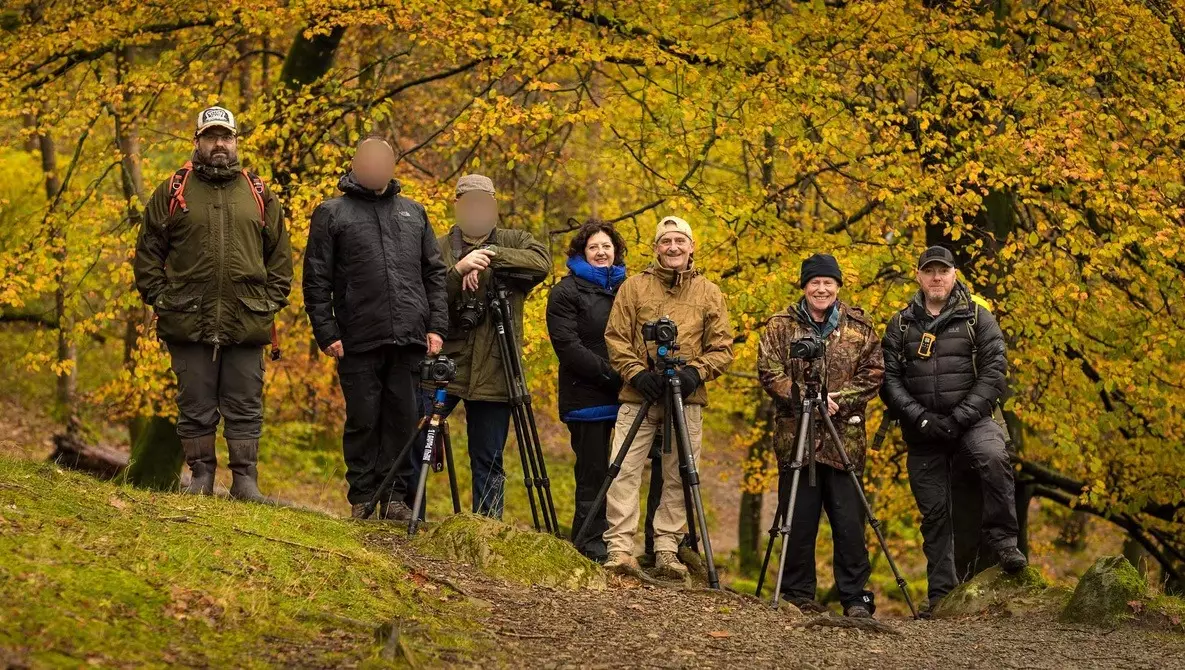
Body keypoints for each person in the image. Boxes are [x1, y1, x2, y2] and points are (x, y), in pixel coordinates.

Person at [133, 106, 292, 501]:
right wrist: (162, 300)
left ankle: (245, 481)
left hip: (247, 318)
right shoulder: (172, 191)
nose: (219, 143)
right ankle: (201, 476)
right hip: (187, 318)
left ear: (237, 142)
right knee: (195, 402)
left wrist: (267, 303)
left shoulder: (259, 193)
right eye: (211, 137)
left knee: (244, 402)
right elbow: (147, 253)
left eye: (226, 136)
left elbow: (281, 259)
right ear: (197, 142)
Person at [303, 137, 448, 520]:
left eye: (383, 161)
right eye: (368, 160)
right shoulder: (331, 213)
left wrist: (436, 326)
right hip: (356, 338)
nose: (376, 168)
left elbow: (434, 273)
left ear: (393, 165)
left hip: (409, 338)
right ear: (355, 164)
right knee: (364, 419)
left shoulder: (413, 213)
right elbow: (315, 279)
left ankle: (395, 498)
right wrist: (327, 332)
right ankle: (363, 498)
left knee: (402, 419)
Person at [881, 245, 1027, 613]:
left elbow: (995, 373)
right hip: (922, 428)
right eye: (929, 271)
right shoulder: (900, 324)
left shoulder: (979, 317)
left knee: (994, 458)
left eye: (942, 271)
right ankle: (941, 597)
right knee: (934, 513)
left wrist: (960, 417)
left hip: (973, 420)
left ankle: (1006, 543)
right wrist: (920, 417)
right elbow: (889, 380)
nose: (936, 278)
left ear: (954, 274)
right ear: (918, 276)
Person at [602, 215, 734, 578]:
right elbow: (616, 338)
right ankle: (619, 549)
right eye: (666, 242)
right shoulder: (634, 287)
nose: (673, 247)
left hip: (686, 397)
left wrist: (696, 373)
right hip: (637, 394)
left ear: (692, 246)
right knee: (624, 468)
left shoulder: (709, 291)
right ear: (656, 247)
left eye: (680, 241)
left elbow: (723, 348)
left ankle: (666, 549)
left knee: (679, 473)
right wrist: (636, 374)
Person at [757, 253, 884, 618]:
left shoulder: (860, 326)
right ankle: (798, 595)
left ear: (838, 286)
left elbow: (875, 372)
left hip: (844, 438)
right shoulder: (781, 325)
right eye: (815, 282)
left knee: (848, 523)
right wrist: (804, 397)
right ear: (804, 286)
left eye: (828, 282)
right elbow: (768, 370)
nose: (822, 288)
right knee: (798, 520)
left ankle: (856, 597)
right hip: (797, 438)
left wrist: (836, 401)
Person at [424, 173, 550, 518]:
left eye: (484, 202)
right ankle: (409, 515)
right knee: (418, 441)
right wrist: (457, 270)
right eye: (470, 202)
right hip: (444, 362)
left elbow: (542, 263)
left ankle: (486, 528)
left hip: (497, 366)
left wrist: (489, 254)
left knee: (489, 457)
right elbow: (421, 296)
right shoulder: (437, 247)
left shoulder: (514, 239)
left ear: (494, 205)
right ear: (457, 205)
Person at [546, 220, 628, 562]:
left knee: (624, 470)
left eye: (606, 246)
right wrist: (612, 376)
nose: (601, 252)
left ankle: (622, 540)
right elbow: (567, 345)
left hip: (629, 393)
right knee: (592, 470)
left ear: (616, 251)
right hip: (587, 394)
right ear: (582, 252)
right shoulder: (566, 291)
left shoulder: (629, 289)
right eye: (594, 247)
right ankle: (588, 542)